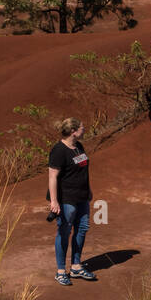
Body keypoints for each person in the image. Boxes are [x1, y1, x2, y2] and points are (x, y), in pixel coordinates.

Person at [47, 117, 96, 286]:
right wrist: (54, 201)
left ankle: (76, 266)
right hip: (66, 198)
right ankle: (61, 271)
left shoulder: (78, 146)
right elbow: (52, 176)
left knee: (82, 228)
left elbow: (83, 171)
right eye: (82, 127)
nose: (84, 129)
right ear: (74, 131)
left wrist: (88, 190)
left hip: (82, 197)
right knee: (64, 231)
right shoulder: (59, 150)